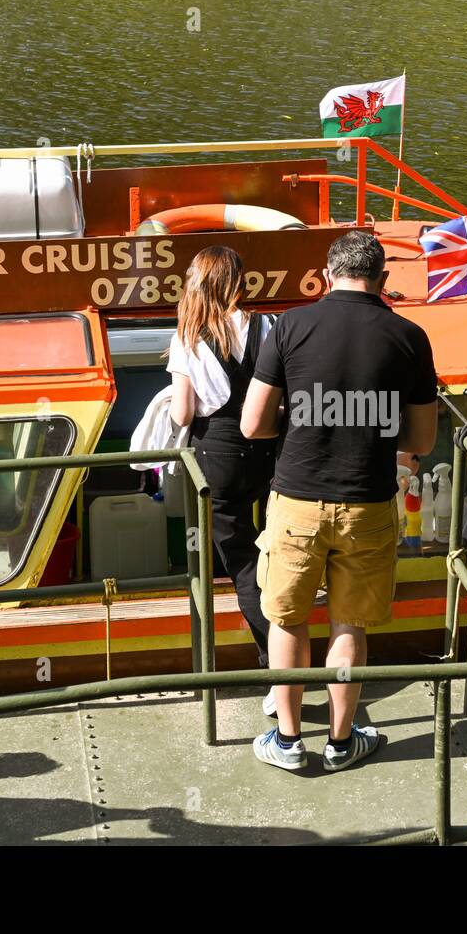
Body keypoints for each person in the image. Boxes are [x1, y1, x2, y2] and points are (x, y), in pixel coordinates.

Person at [241, 230, 438, 772]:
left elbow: (254, 424)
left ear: (327, 274)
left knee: (286, 619)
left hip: (296, 501)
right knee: (350, 624)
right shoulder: (409, 336)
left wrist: (306, 417)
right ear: (384, 280)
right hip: (368, 504)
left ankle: (286, 741)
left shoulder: (290, 326)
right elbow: (420, 442)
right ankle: (341, 741)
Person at [167, 246, 278, 683]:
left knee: (241, 558)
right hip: (267, 450)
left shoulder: (188, 336)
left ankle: (275, 658)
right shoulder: (267, 325)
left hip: (219, 456)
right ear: (237, 281)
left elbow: (182, 414)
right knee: (272, 541)